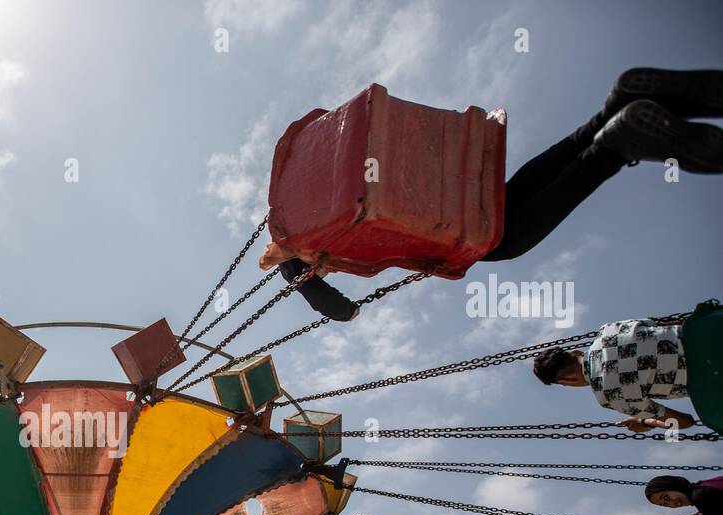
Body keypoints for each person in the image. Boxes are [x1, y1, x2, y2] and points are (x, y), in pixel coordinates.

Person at [261, 68, 723, 323]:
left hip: (441, 227)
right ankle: (613, 108)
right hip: (447, 199)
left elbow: (338, 310)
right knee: (496, 206)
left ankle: (617, 141)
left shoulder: (304, 242)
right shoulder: (301, 205)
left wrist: (296, 274)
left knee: (500, 241)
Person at [531, 317, 697, 432]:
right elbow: (671, 325)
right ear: (576, 352)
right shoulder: (608, 330)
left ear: (568, 380)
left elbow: (683, 422)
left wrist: (644, 422)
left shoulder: (609, 395)